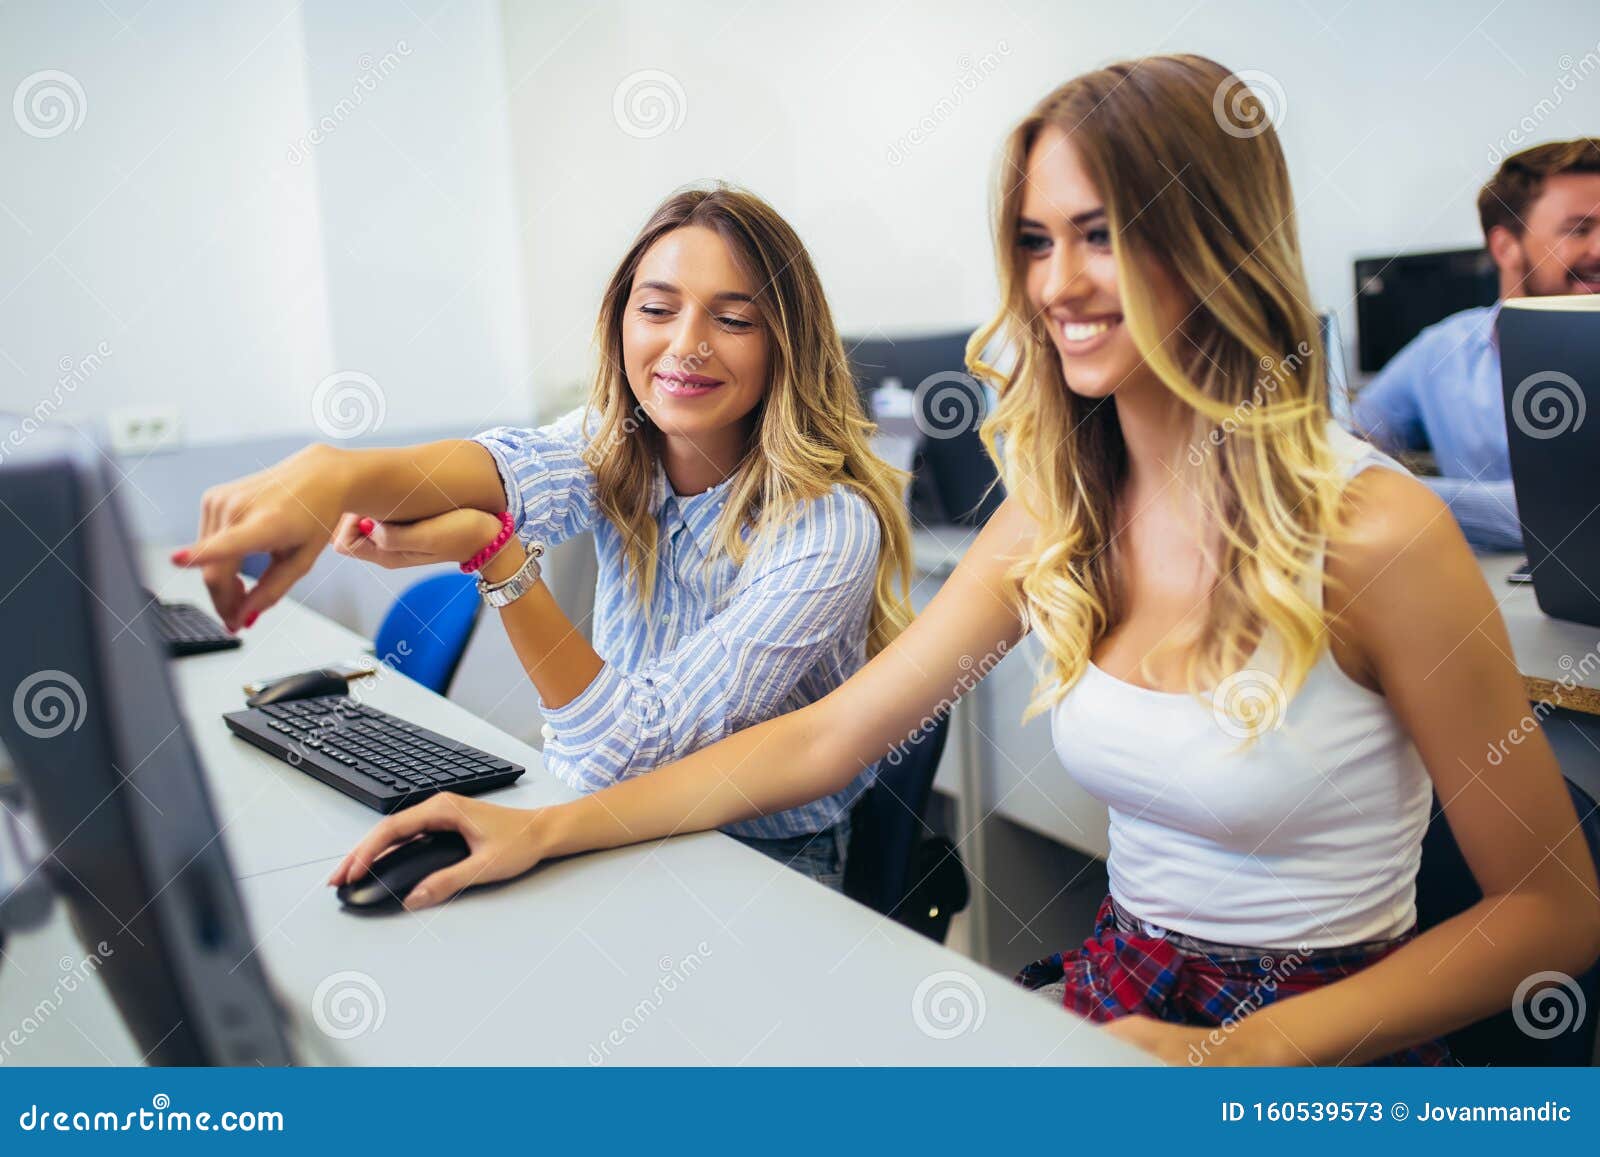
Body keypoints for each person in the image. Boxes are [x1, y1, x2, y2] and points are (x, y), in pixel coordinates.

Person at [329, 56, 1600, 1066]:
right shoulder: (1061, 500)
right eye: (1036, 241)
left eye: (1101, 233)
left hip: (1311, 1049)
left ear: (1214, 242)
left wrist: (1236, 1052)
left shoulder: (1378, 535)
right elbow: (822, 739)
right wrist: (544, 827)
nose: (1058, 283)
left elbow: (1553, 912)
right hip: (1123, 996)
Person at [175, 186, 913, 889]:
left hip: (763, 858)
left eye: (735, 320)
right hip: (594, 810)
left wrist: (497, 560)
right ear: (621, 321)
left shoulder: (827, 528)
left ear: (787, 343)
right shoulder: (616, 443)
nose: (686, 345)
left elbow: (628, 749)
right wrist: (334, 475)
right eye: (657, 308)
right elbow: (495, 472)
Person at [1352, 138, 1600, 550]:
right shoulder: (1443, 349)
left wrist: (1395, 495)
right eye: (1578, 229)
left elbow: (1575, 513)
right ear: (1506, 247)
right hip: (1480, 599)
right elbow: (1339, 449)